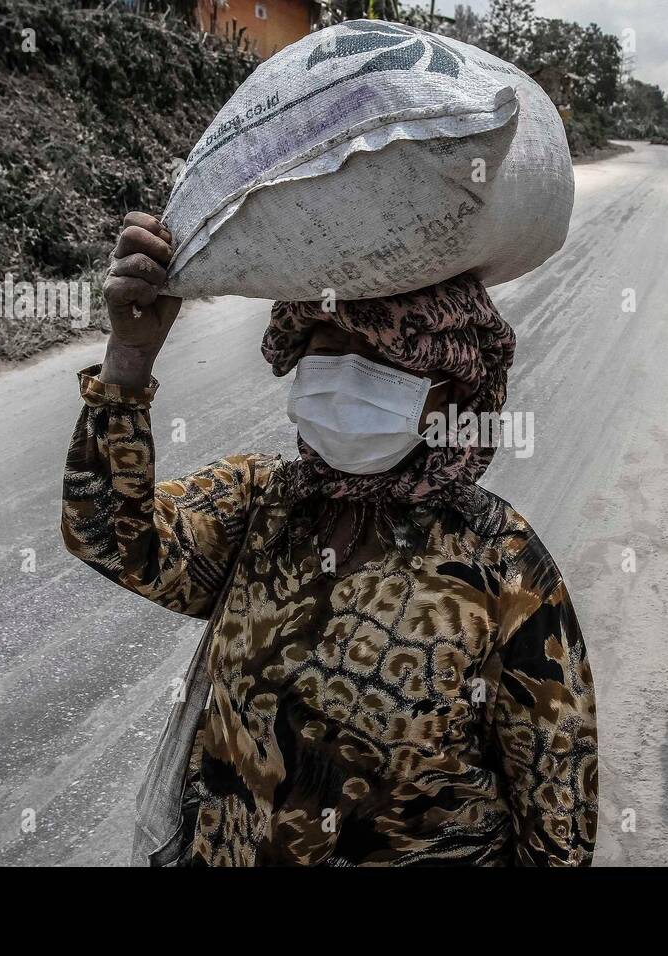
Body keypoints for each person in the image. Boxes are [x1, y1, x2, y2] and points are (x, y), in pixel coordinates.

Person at [62, 211, 596, 865]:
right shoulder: (260, 503)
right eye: (327, 346)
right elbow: (108, 538)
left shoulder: (503, 564)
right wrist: (129, 360)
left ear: (450, 393)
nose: (344, 376)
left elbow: (558, 810)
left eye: (380, 359)